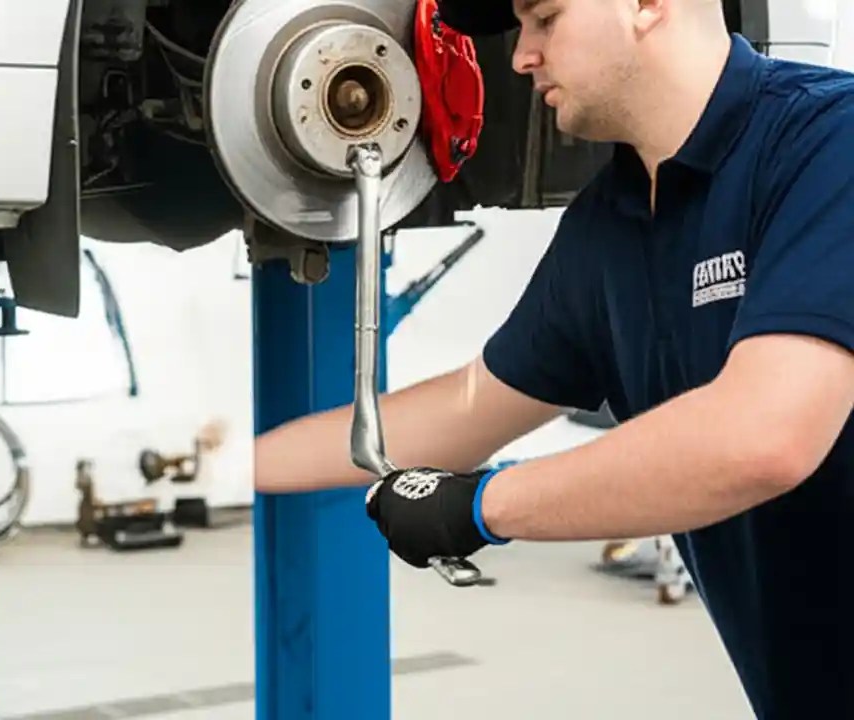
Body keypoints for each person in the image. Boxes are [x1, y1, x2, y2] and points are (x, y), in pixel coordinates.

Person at [253, 0, 854, 717]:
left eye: (545, 17)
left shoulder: (831, 144)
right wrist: (249, 464)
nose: (519, 57)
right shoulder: (610, 226)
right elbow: (468, 407)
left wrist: (480, 506)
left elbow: (763, 438)